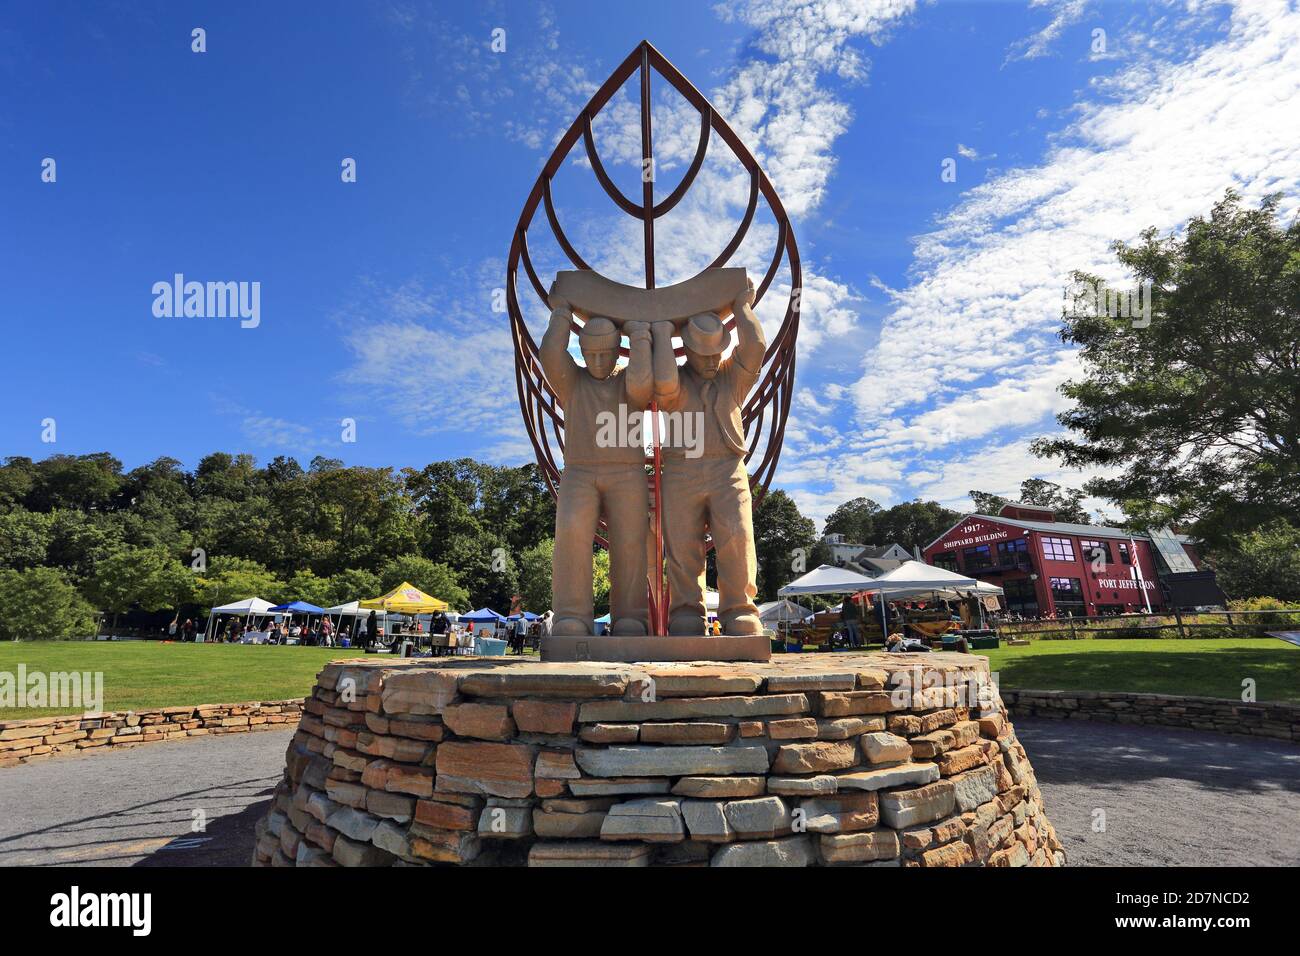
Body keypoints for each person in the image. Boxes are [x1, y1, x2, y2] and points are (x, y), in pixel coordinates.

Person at [652, 278, 765, 636]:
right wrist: (662, 333)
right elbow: (665, 381)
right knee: (682, 546)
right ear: (686, 351)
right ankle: (686, 611)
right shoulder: (675, 381)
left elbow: (756, 347)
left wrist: (741, 306)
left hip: (727, 468)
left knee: (737, 537)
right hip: (681, 469)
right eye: (705, 354)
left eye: (717, 351)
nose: (713, 359)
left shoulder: (733, 376)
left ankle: (739, 610)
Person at [541, 291, 654, 637]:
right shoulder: (572, 382)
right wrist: (562, 312)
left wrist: (638, 336)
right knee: (572, 533)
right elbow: (549, 355)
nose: (599, 360)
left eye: (606, 353)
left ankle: (631, 617)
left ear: (618, 351)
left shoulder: (628, 383)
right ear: (582, 352)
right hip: (580, 472)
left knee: (631, 540)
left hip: (627, 472)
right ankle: (571, 615)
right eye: (591, 354)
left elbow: (643, 381)